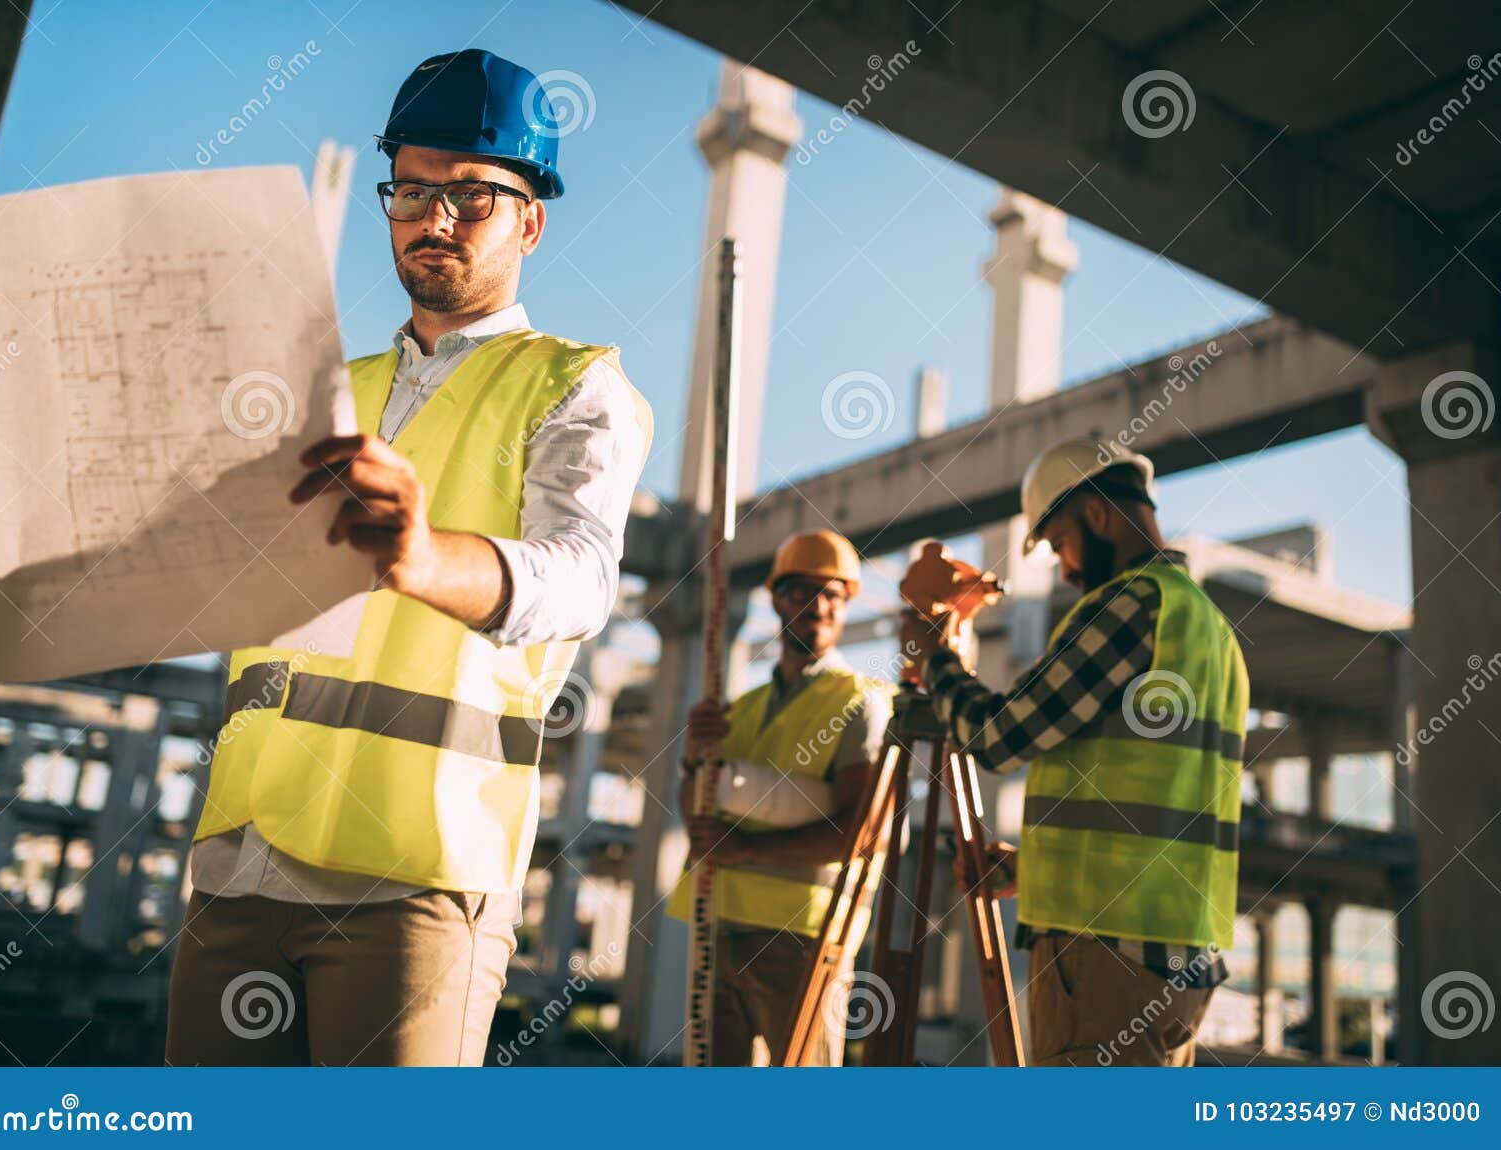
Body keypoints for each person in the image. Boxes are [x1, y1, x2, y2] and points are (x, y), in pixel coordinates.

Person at [165, 48, 652, 1066]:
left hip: (411, 879)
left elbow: (578, 578)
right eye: (414, 191)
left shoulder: (576, 388)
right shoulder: (326, 383)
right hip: (238, 865)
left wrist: (425, 556)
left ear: (531, 219)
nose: (434, 219)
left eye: (472, 196)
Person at [900, 438, 1249, 1066]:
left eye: (1060, 543)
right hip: (1173, 959)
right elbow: (1152, 812)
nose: (1064, 569)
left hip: (1107, 966)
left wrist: (934, 657)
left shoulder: (1130, 604)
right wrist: (1029, 871)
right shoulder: (1207, 626)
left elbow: (1000, 736)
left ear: (1095, 516)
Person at [667, 530, 890, 1065]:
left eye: (833, 594)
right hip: (718, 924)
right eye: (801, 593)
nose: (819, 606)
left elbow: (863, 834)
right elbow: (697, 812)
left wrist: (745, 850)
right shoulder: (738, 710)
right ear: (775, 601)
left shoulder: (861, 705)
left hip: (804, 937)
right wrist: (695, 755)